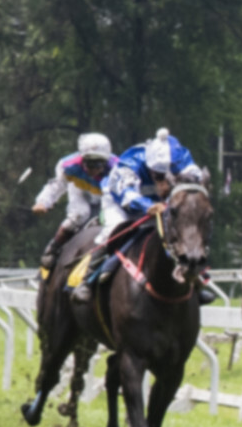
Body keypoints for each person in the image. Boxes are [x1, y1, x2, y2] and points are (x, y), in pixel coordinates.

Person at [69, 128, 211, 304]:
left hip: (162, 204)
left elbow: (196, 185)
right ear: (149, 165)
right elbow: (126, 194)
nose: (162, 183)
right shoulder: (132, 162)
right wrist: (147, 206)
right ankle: (87, 280)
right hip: (118, 201)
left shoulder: (181, 158)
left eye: (167, 176)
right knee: (114, 228)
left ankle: (197, 279)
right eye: (157, 176)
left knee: (181, 231)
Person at [32, 133, 116, 272]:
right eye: (89, 163)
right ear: (81, 158)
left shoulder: (117, 168)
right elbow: (56, 185)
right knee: (80, 214)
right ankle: (53, 248)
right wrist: (42, 202)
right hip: (79, 188)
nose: (94, 169)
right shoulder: (69, 166)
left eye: (99, 163)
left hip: (104, 194)